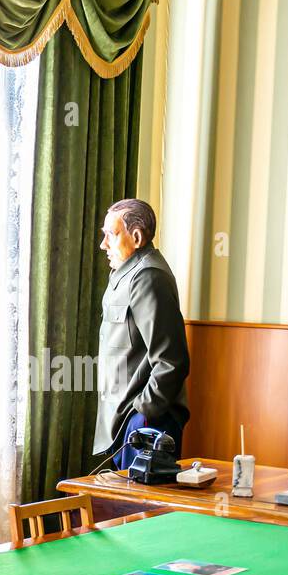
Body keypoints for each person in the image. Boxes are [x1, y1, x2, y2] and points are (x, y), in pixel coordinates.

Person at [92, 199, 190, 471]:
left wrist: (143, 414)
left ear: (136, 237)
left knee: (141, 512)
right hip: (123, 418)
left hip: (144, 421)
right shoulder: (126, 274)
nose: (103, 245)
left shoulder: (147, 276)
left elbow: (172, 360)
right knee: (124, 509)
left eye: (110, 235)